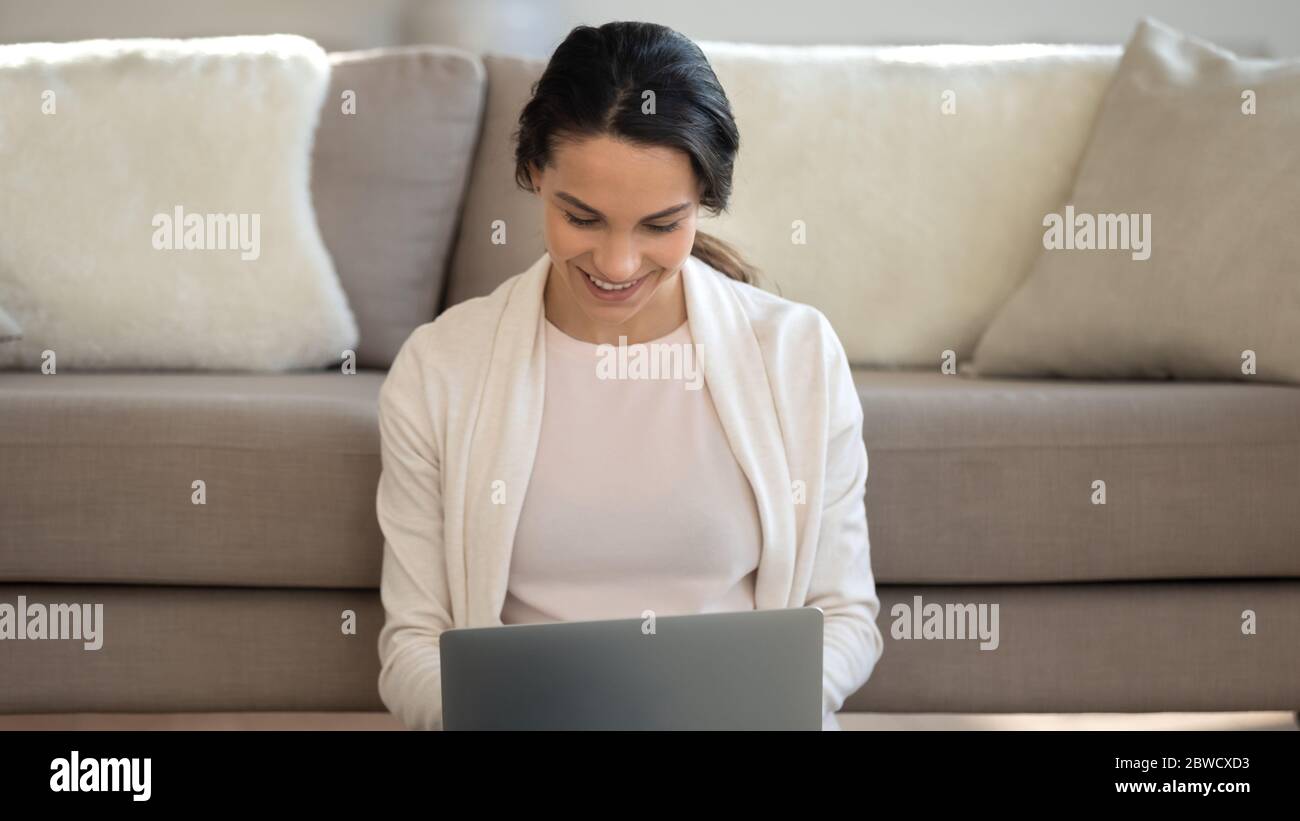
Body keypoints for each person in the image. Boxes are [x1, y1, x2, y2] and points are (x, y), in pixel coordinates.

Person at [376, 20, 883, 731]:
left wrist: (761, 714)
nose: (616, 265)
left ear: (704, 198)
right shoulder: (440, 372)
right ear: (532, 175)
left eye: (660, 225)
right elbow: (412, 648)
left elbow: (846, 615)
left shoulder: (797, 355)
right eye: (581, 217)